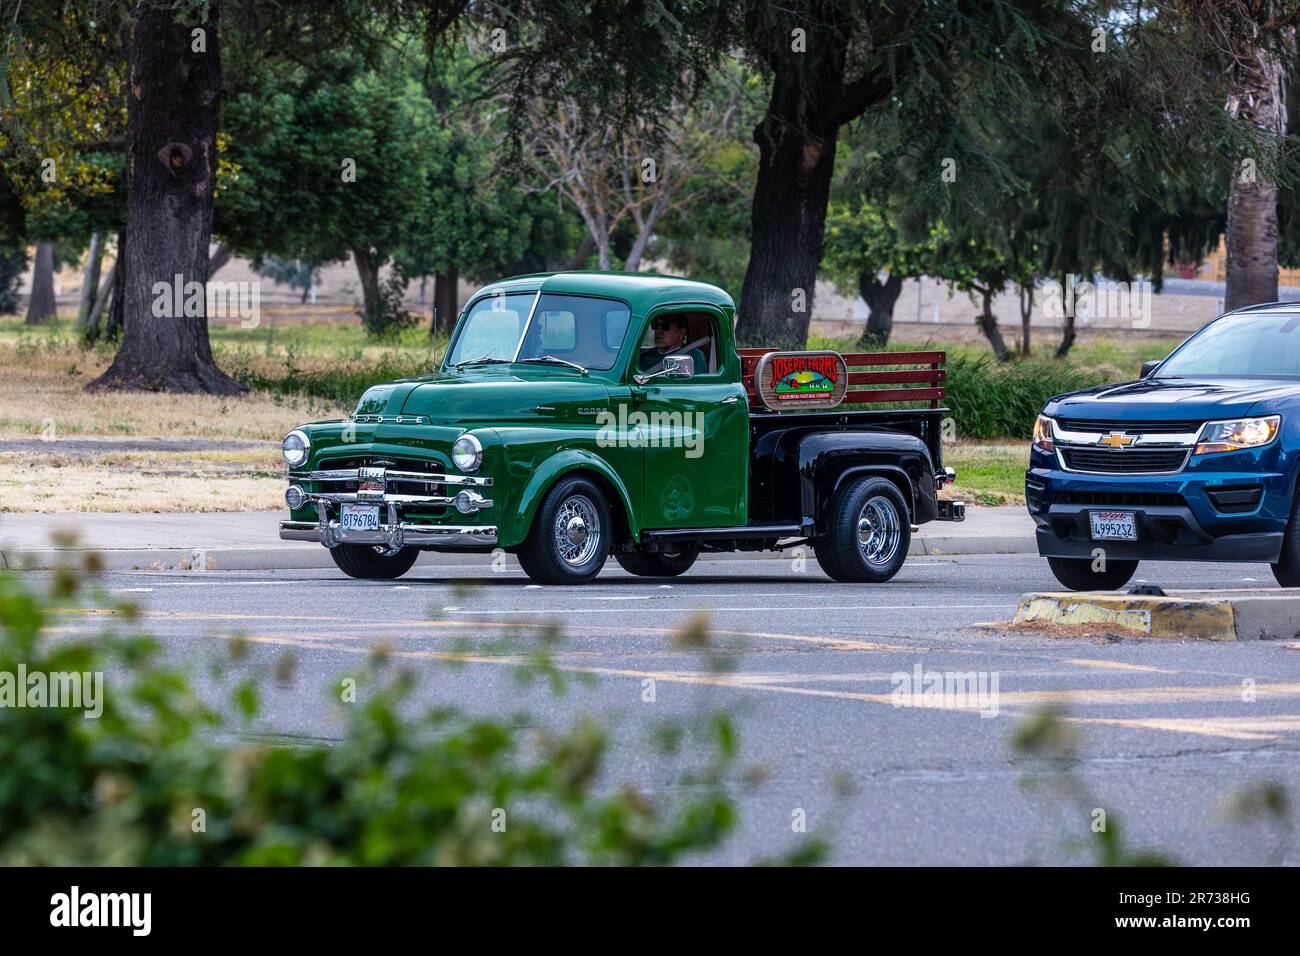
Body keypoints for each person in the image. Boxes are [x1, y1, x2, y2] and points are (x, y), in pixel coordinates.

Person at [639, 314, 707, 374]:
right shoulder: (643, 356)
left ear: (681, 331)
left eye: (665, 327)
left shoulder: (694, 356)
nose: (658, 331)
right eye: (655, 325)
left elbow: (697, 386)